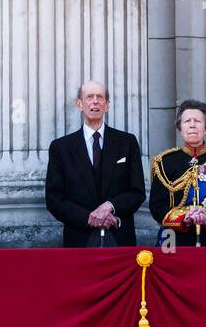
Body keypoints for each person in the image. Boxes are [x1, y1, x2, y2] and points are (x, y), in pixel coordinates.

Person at [45, 80, 146, 247]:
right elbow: (54, 199)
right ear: (79, 104)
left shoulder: (127, 142)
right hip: (79, 239)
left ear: (107, 105)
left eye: (100, 97)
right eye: (89, 97)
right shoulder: (60, 148)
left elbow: (137, 192)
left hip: (120, 237)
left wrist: (110, 206)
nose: (95, 101)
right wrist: (90, 218)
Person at [149, 100, 206, 248]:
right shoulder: (165, 162)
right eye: (187, 121)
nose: (192, 125)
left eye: (198, 121)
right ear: (180, 128)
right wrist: (184, 217)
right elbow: (157, 206)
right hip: (172, 238)